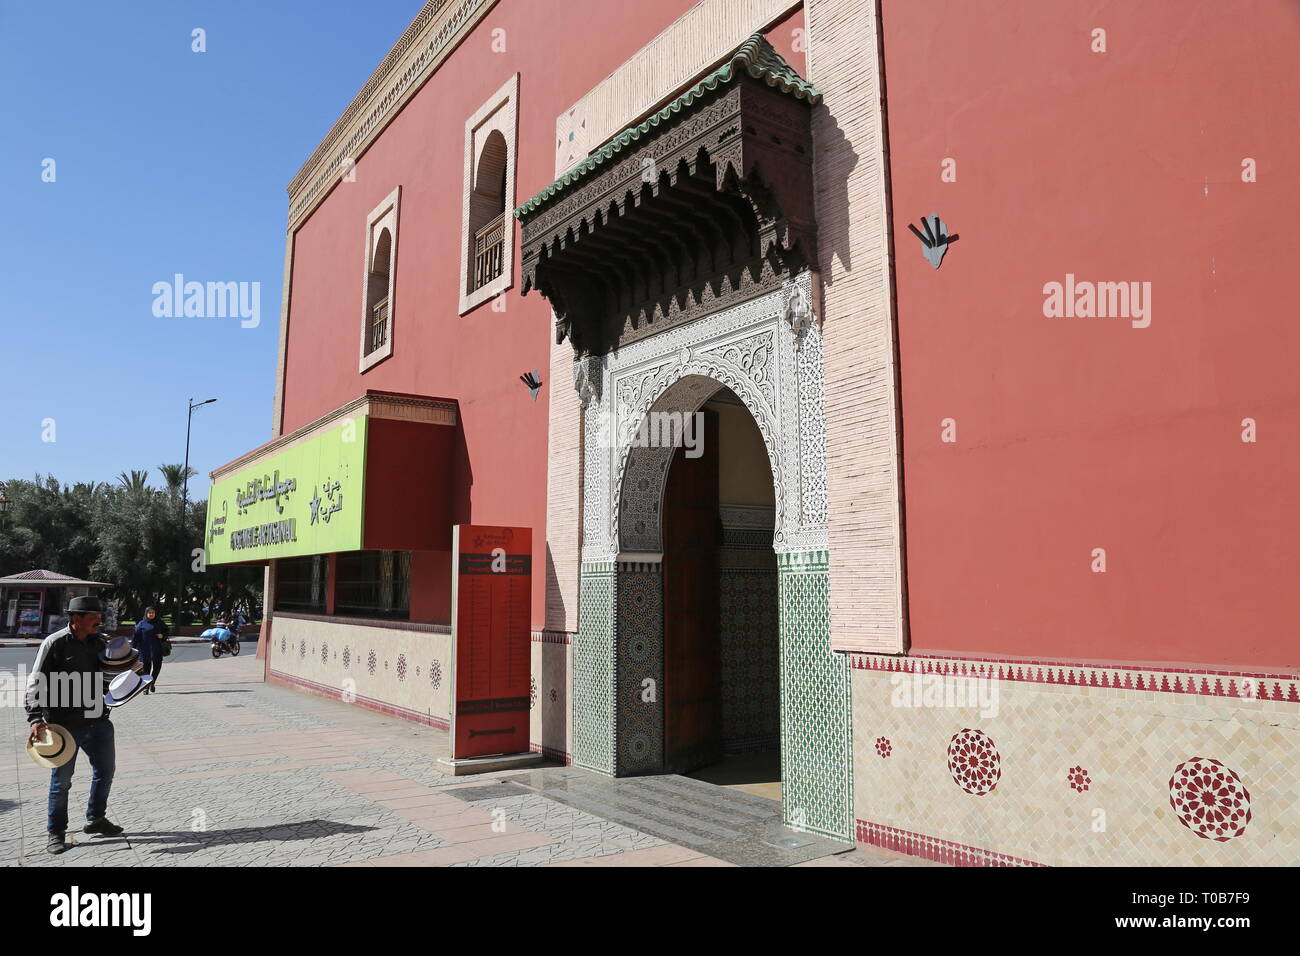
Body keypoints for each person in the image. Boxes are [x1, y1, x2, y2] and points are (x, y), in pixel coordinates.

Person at [25, 595, 122, 855]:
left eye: (99, 617)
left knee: (106, 771)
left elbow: (114, 673)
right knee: (61, 782)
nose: (99, 621)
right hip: (64, 727)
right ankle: (56, 832)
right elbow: (35, 683)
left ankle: (96, 819)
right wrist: (35, 718)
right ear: (76, 619)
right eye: (93, 617)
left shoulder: (100, 642)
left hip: (99, 722)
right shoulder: (54, 643)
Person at [132, 606, 168, 695]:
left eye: (153, 612)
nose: (151, 614)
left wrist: (162, 636)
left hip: (157, 649)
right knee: (146, 669)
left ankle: (152, 682)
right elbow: (135, 637)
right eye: (149, 612)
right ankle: (146, 687)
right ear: (146, 613)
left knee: (157, 667)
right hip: (145, 650)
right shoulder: (141, 624)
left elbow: (167, 631)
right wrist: (133, 649)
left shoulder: (160, 622)